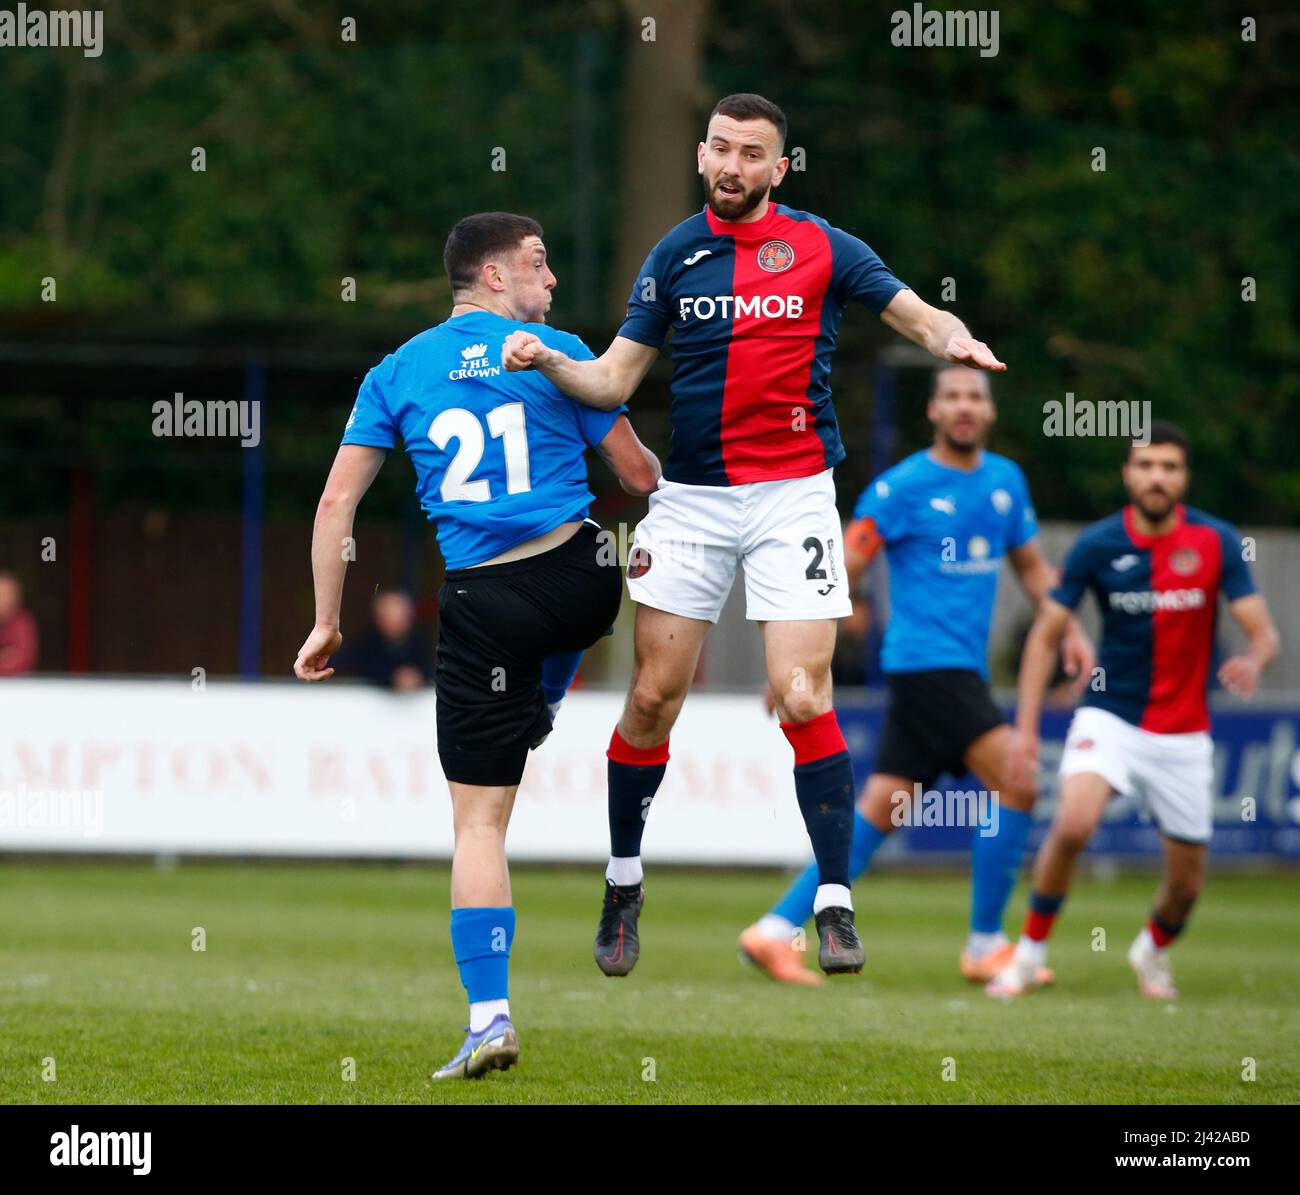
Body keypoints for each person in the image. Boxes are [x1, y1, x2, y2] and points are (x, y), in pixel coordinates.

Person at [504, 93, 1007, 979]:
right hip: (693, 501)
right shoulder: (674, 255)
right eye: (723, 150)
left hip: (793, 498)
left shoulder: (824, 246)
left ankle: (834, 904)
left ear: (781, 167)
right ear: (702, 156)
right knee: (655, 698)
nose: (735, 166)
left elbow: (913, 313)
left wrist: (951, 335)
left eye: (754, 154)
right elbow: (615, 376)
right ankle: (624, 882)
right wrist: (546, 355)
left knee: (803, 691)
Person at [294, 212, 660, 1079]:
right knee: (575, 614)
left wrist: (327, 620)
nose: (553, 281)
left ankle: (489, 1016)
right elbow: (641, 476)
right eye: (539, 264)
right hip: (581, 579)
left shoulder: (396, 370)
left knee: (479, 822)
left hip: (486, 603)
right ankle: (551, 692)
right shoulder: (563, 351)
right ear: (494, 278)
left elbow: (334, 507)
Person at [739, 365, 1093, 985]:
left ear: (989, 411)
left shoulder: (1006, 482)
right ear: (932, 410)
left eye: (974, 397)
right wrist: (795, 656)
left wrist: (1072, 630)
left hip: (956, 673)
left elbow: (1035, 570)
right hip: (929, 668)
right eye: (952, 396)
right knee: (1018, 780)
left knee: (881, 809)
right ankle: (985, 944)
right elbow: (841, 566)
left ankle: (773, 930)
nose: (964, 406)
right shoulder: (900, 488)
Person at [988, 423, 1279, 999]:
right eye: (1146, 465)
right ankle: (1028, 955)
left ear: (1183, 477)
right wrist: (1024, 730)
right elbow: (1045, 637)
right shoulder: (1097, 545)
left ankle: (1151, 949)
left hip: (1184, 733)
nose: (1157, 477)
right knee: (1072, 825)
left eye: (1169, 467)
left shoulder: (1217, 541)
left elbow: (1265, 632)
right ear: (1127, 474)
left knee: (1186, 888)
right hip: (1110, 715)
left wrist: (1254, 658)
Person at [333, 589, 434, 691]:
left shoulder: (420, 643)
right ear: (378, 618)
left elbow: (432, 669)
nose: (395, 623)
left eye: (400, 617)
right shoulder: (366, 644)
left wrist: (418, 676)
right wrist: (392, 678)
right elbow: (361, 667)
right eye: (388, 616)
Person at [0, 571, 39, 677]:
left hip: (17, 687)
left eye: (7, 592)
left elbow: (23, 659)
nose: (3, 597)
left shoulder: (22, 622)